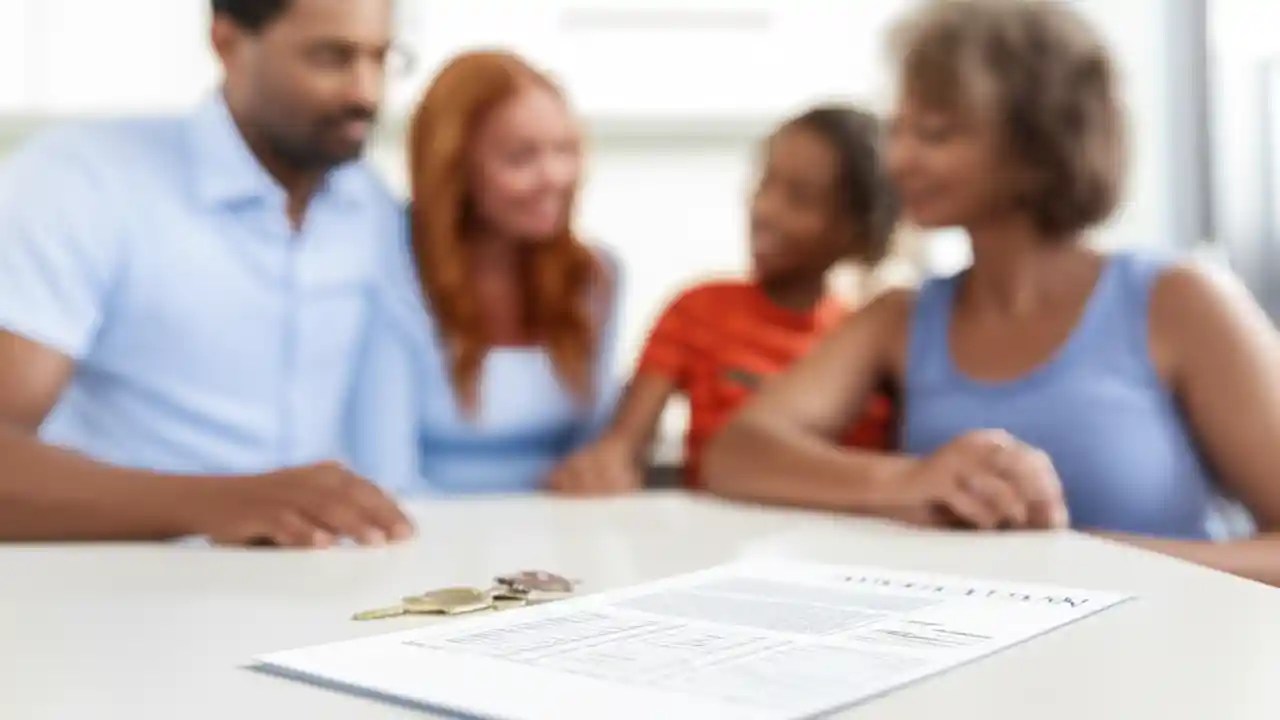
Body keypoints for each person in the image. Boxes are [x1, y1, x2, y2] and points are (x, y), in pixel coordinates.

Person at [706, 0, 1280, 586]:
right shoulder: (901, 317)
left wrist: (1086, 559)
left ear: (1036, 142)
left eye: (935, 133)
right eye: (897, 129)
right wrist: (908, 482)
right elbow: (737, 454)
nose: (899, 159)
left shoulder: (1178, 300)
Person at [0, 0, 413, 547]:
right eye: (330, 57)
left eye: (381, 58)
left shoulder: (368, 205)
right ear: (227, 43)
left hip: (318, 582)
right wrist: (219, 502)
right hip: (116, 593)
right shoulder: (81, 184)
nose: (366, 92)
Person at [548, 106, 898, 495]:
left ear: (857, 232)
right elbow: (624, 447)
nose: (766, 209)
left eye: (799, 199)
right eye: (766, 183)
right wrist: (601, 467)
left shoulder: (869, 343)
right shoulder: (698, 311)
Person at [346, 51, 620, 494]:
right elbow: (385, 477)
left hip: (557, 543)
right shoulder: (386, 268)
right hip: (419, 538)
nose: (555, 176)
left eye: (565, 150)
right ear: (454, 168)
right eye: (520, 158)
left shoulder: (595, 276)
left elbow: (591, 455)